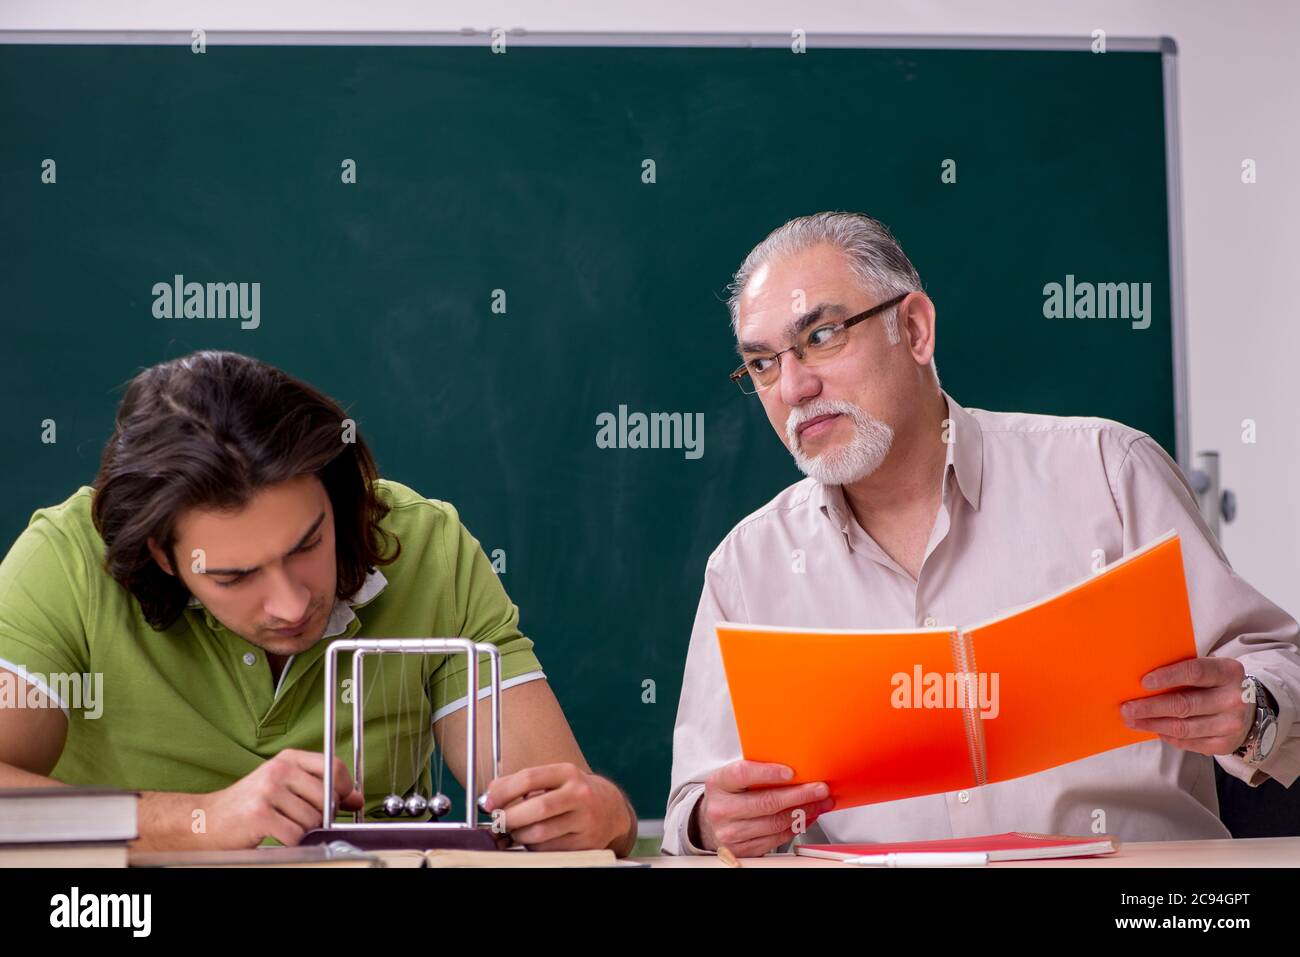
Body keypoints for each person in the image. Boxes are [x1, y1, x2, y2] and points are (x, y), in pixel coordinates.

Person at [663, 211, 1298, 856]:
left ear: (913, 329)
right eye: (763, 365)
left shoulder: (1108, 472)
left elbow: (1281, 668)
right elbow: (693, 806)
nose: (794, 387)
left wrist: (1251, 709)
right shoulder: (747, 566)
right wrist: (715, 824)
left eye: (822, 335)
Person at [0, 350, 637, 854]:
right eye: (233, 576)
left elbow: (561, 808)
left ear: (336, 497)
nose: (290, 603)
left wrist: (603, 816)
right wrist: (203, 817)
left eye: (308, 543)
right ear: (164, 558)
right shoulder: (66, 562)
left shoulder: (424, 546)